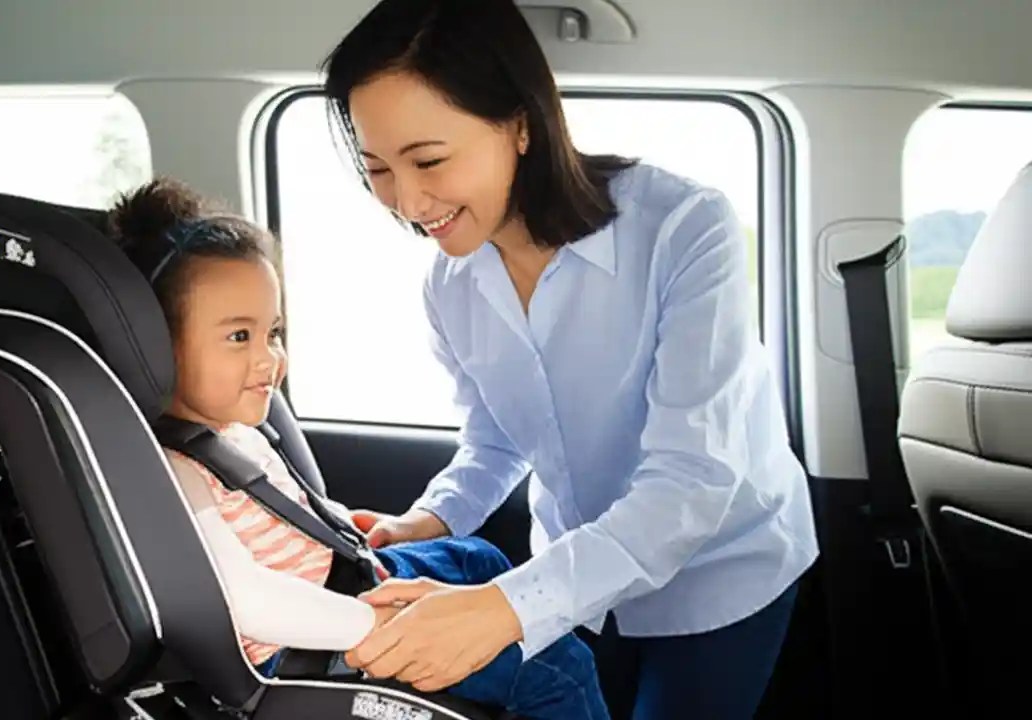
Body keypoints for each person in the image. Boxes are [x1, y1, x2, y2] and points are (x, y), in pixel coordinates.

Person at [319, 1, 821, 718]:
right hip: (572, 584)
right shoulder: (448, 283)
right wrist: (426, 521)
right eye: (378, 169)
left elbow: (690, 481)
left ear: (520, 123)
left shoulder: (684, 228)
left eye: (428, 160)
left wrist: (503, 608)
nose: (406, 201)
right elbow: (494, 441)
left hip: (722, 570)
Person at [107, 177, 611, 720]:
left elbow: (282, 516)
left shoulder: (236, 432)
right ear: (155, 348)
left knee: (479, 557)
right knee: (558, 672)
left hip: (342, 583)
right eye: (239, 337)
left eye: (273, 332)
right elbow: (245, 598)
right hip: (308, 644)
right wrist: (384, 626)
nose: (268, 359)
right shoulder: (176, 471)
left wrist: (344, 527)